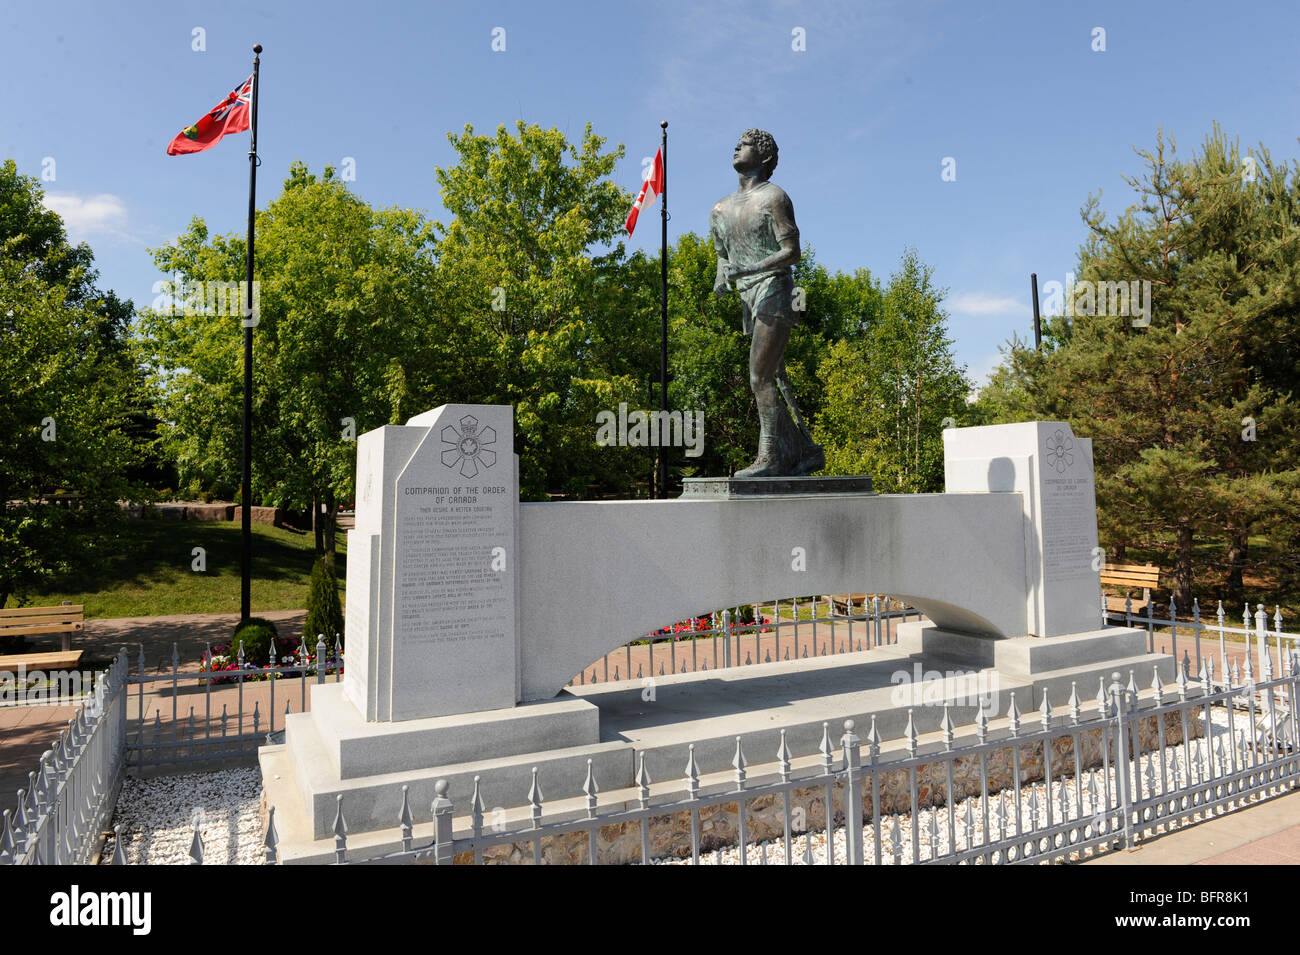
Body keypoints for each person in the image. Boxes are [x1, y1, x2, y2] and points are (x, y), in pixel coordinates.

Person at [710, 128, 824, 477]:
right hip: (749, 297)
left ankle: (770, 457)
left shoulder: (774, 198)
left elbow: (792, 252)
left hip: (776, 290)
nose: (735, 147)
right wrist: (724, 278)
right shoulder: (719, 209)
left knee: (759, 376)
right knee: (771, 378)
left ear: (764, 157)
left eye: (743, 145)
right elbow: (722, 259)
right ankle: (805, 451)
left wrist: (752, 268)